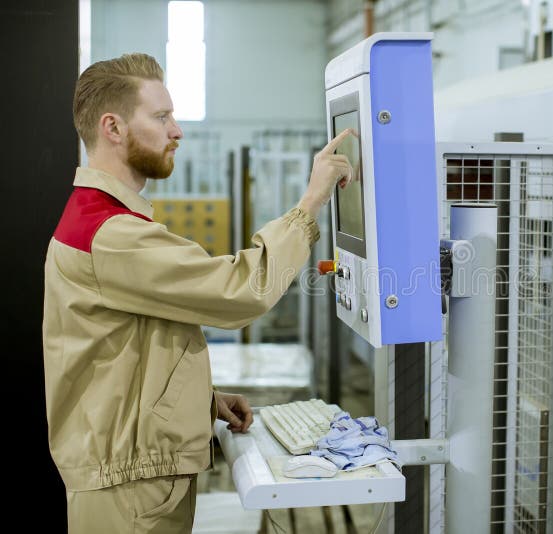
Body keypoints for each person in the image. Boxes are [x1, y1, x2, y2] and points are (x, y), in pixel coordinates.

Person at [42, 52, 354, 533]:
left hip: (129, 477)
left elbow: (122, 351)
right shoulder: (111, 233)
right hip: (128, 489)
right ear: (113, 127)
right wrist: (309, 205)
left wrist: (201, 400)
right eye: (161, 116)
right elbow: (240, 291)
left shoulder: (97, 219)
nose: (177, 131)